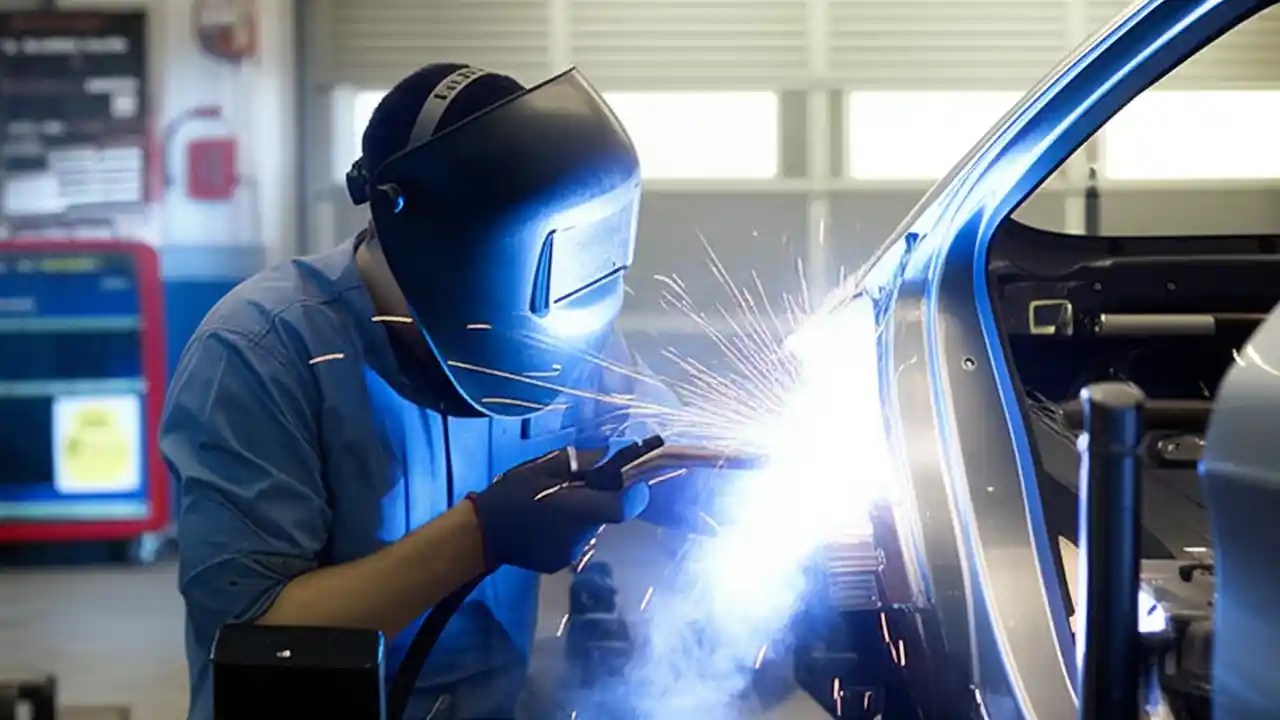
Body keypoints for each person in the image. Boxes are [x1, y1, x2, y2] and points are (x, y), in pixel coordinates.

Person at [161, 63, 684, 720]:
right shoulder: (262, 352)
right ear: (415, 231)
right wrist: (480, 536)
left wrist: (704, 479)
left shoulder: (560, 339)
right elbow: (256, 635)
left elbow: (666, 446)